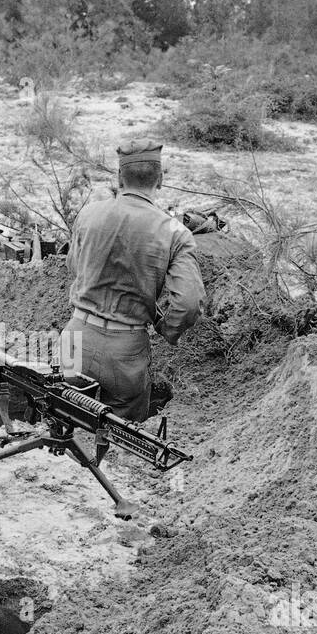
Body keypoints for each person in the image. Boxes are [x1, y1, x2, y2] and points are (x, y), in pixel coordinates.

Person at [64, 138, 204, 421]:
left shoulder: (89, 213)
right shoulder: (175, 232)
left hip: (74, 339)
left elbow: (74, 268)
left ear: (119, 178)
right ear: (160, 180)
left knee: (63, 427)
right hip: (125, 350)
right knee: (119, 441)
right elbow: (189, 303)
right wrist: (167, 329)